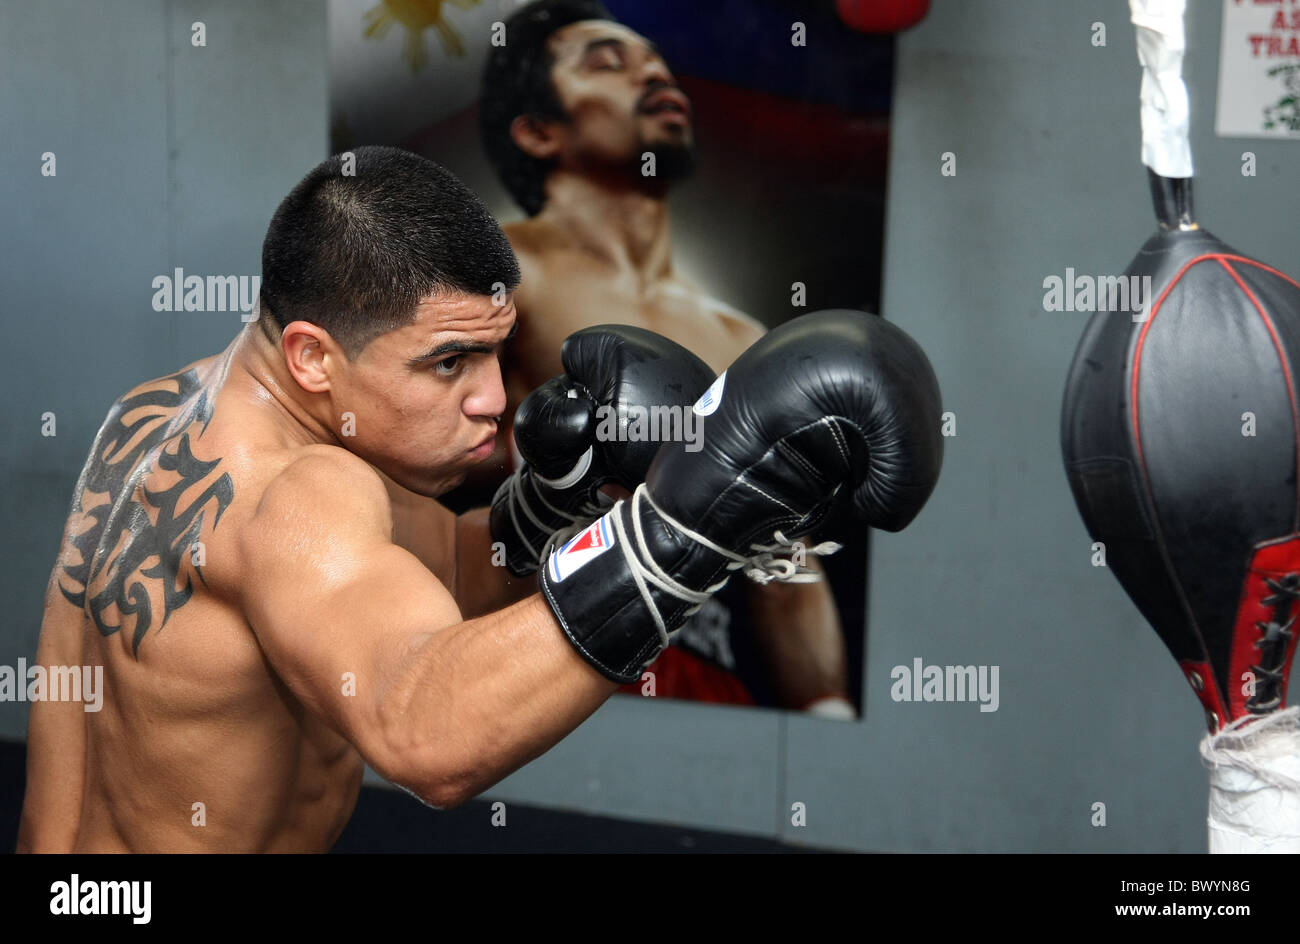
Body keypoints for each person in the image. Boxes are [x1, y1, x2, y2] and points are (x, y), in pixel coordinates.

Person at [17, 146, 939, 852]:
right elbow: (424, 733)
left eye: (496, 351)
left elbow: (432, 576)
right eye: (447, 362)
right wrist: (681, 530)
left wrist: (550, 505)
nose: (496, 398)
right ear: (311, 355)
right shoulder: (300, 491)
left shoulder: (165, 411)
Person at [477, 0, 853, 714]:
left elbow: (787, 560)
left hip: (699, 666)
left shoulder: (743, 338)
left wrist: (825, 707)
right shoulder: (500, 269)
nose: (652, 72)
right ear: (537, 130)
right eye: (606, 60)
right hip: (533, 637)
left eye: (656, 60)